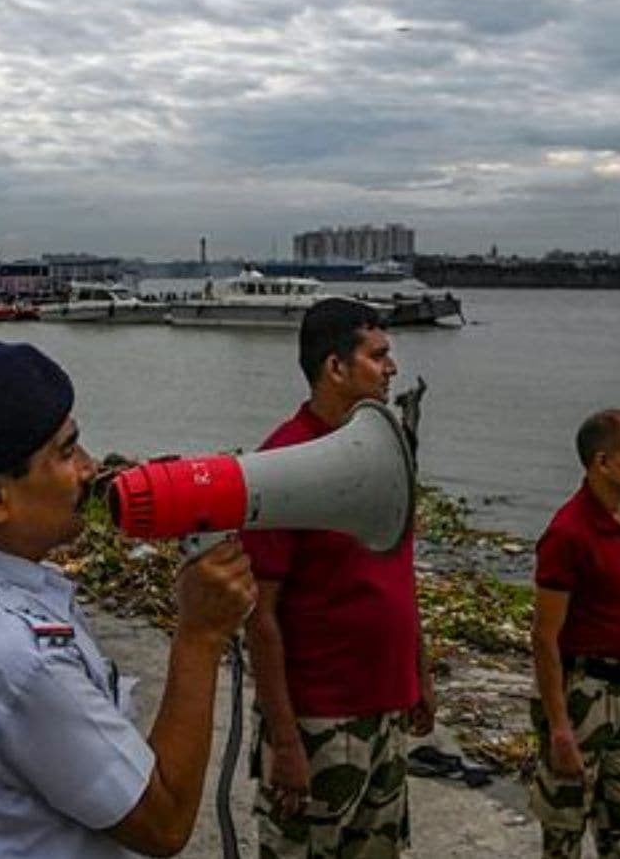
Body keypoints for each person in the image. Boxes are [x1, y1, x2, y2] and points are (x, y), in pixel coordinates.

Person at [0, 341, 256, 858]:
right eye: (65, 451)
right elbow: (164, 824)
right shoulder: (21, 663)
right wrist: (200, 635)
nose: (89, 467)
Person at [242, 298, 435, 858]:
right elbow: (262, 617)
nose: (392, 368)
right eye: (378, 357)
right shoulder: (284, 465)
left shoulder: (385, 453)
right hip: (320, 720)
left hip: (386, 711)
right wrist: (285, 739)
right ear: (335, 367)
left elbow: (399, 573)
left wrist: (418, 673)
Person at [529, 409, 620, 859]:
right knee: (566, 822)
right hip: (581, 693)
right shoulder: (567, 534)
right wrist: (559, 729)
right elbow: (544, 637)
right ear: (601, 463)